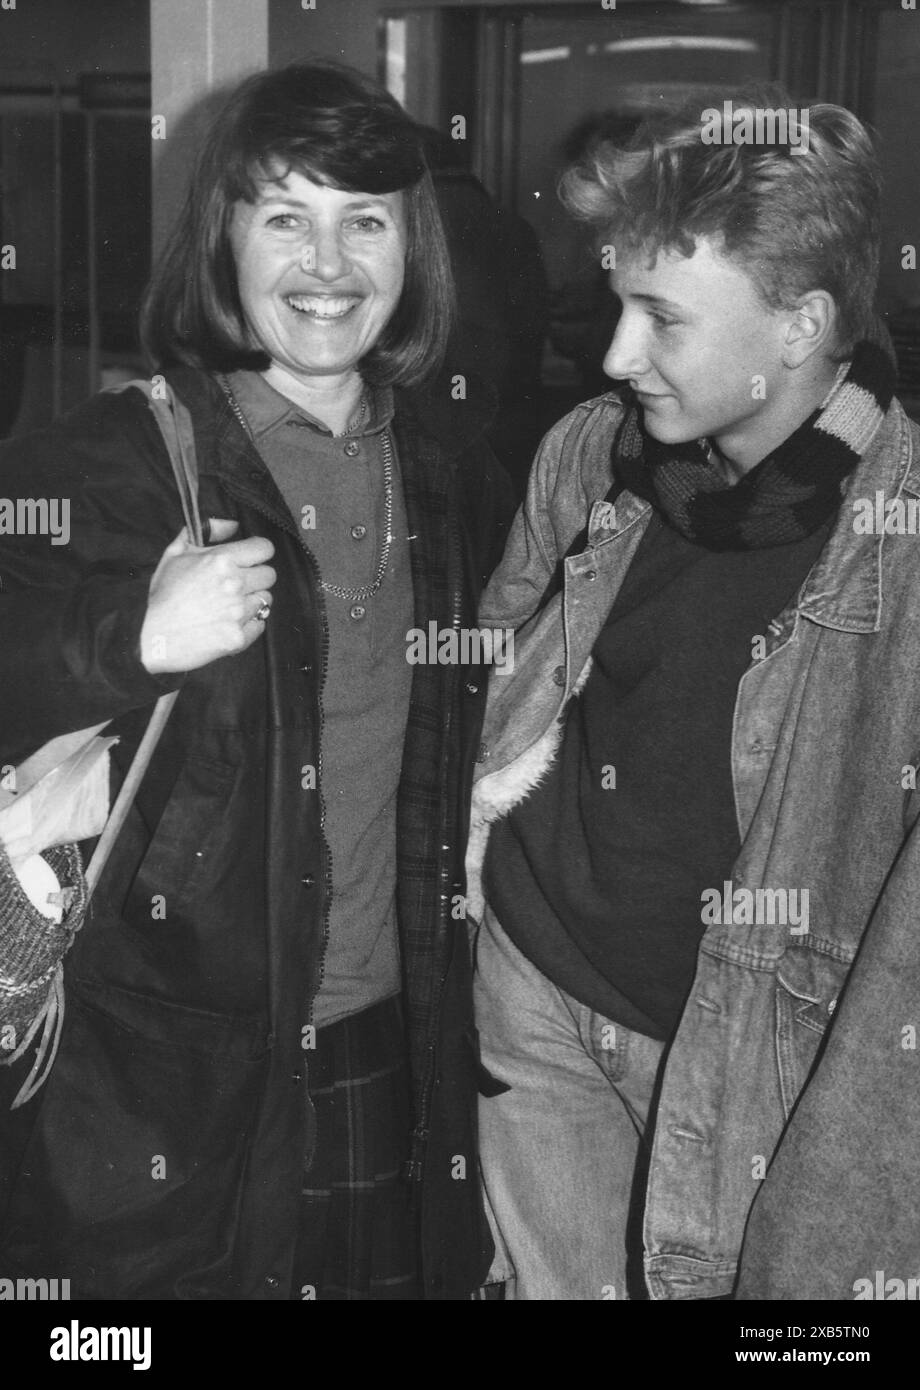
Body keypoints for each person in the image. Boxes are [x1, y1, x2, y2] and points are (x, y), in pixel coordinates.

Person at [0, 60, 512, 1301]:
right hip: (163, 1078)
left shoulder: (450, 476)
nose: (326, 264)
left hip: (388, 1043)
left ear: (412, 248)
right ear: (222, 242)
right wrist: (131, 634)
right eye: (284, 216)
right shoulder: (125, 459)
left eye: (365, 220)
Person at [465, 87, 920, 1299]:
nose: (613, 355)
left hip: (741, 1065)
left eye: (660, 319)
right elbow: (506, 666)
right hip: (533, 989)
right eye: (618, 304)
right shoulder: (590, 451)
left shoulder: (900, 535)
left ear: (797, 324)